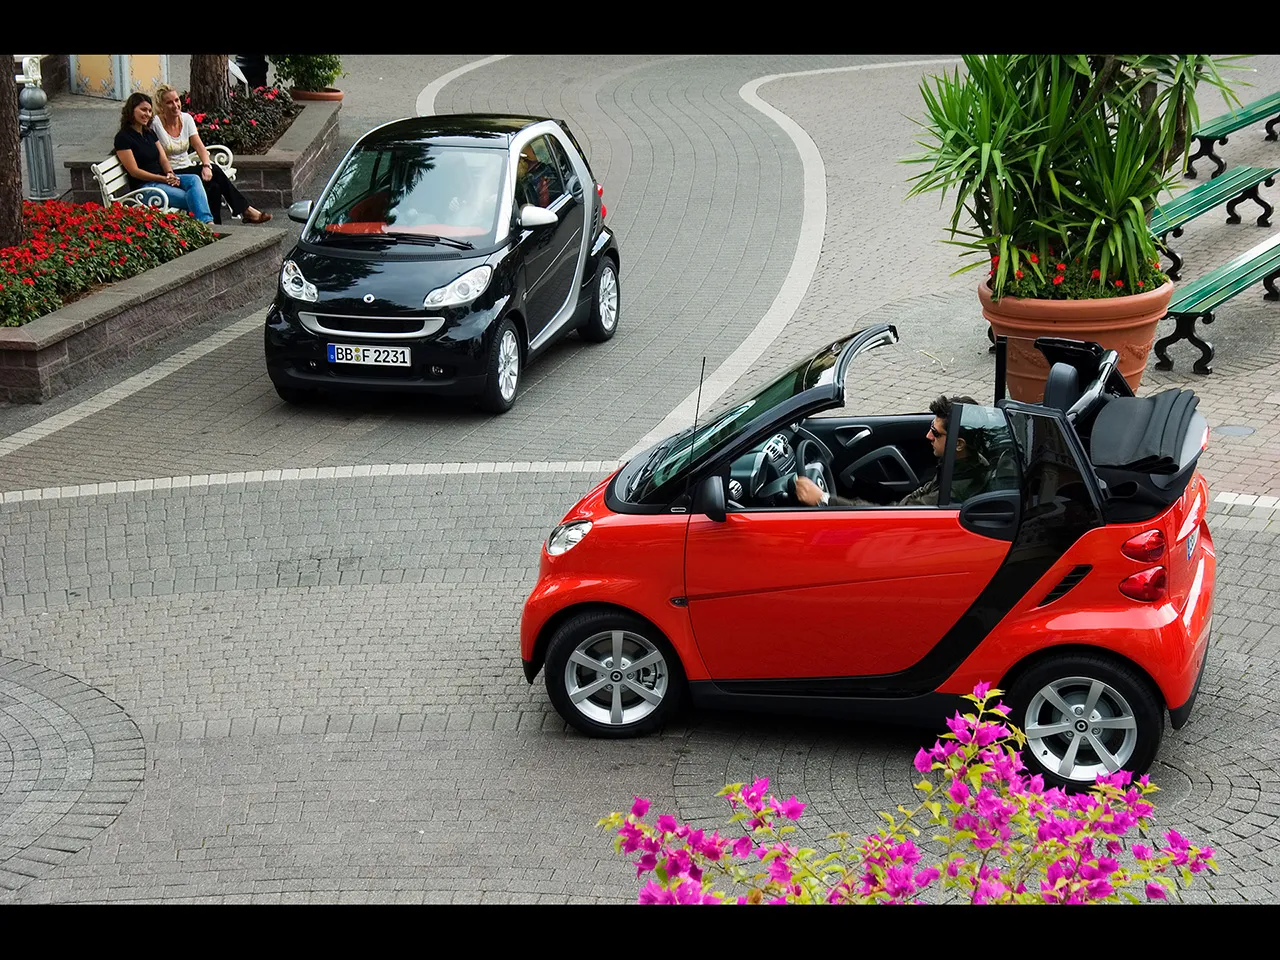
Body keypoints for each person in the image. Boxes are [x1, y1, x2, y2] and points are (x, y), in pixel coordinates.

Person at [795, 394, 989, 507]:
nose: (928, 437)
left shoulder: (954, 491)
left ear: (959, 444)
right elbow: (920, 494)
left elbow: (892, 517)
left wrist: (823, 498)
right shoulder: (964, 465)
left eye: (935, 433)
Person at [152, 84, 272, 225]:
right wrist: (208, 167)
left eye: (177, 100)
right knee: (214, 171)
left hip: (188, 166)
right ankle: (245, 210)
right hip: (172, 173)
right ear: (161, 106)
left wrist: (206, 165)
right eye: (169, 102)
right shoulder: (156, 124)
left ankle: (216, 227)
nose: (175, 105)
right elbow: (161, 157)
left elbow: (199, 146)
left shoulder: (186, 119)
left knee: (213, 186)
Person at [113, 92, 214, 224]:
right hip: (145, 188)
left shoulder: (148, 132)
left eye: (149, 111)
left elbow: (163, 158)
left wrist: (170, 174)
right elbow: (134, 171)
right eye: (143, 110)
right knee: (193, 198)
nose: (147, 114)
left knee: (194, 179)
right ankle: (207, 225)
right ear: (131, 110)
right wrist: (163, 179)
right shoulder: (123, 137)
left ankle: (206, 225)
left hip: (161, 180)